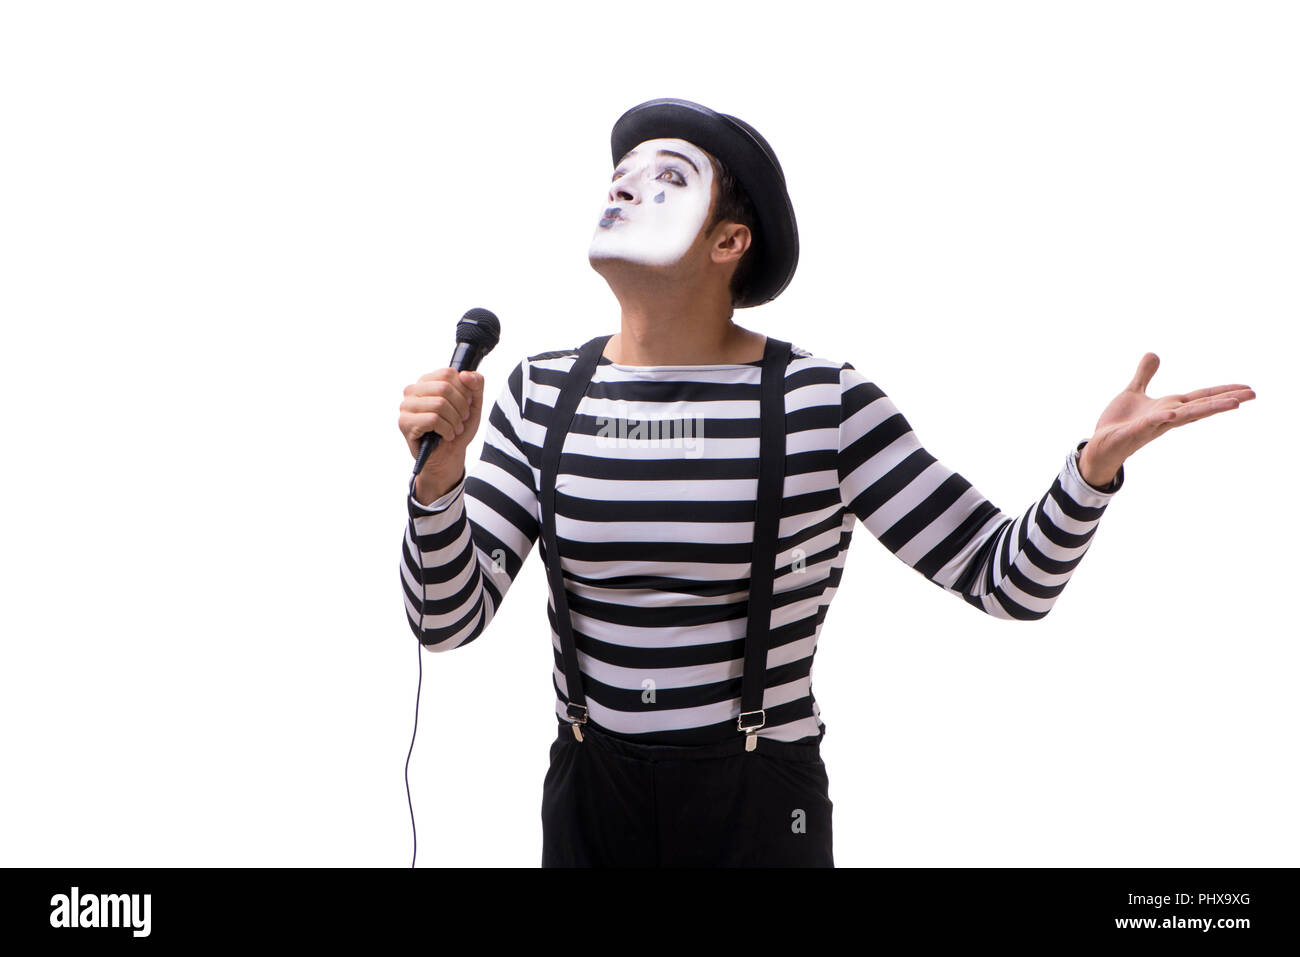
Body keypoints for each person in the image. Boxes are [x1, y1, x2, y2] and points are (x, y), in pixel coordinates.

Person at [396, 97, 1255, 867]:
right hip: (590, 791)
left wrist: (1091, 469)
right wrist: (440, 482)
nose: (621, 189)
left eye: (665, 180)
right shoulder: (541, 393)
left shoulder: (823, 402)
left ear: (729, 243)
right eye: (619, 176)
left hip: (758, 797)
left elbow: (1009, 582)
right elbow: (445, 621)